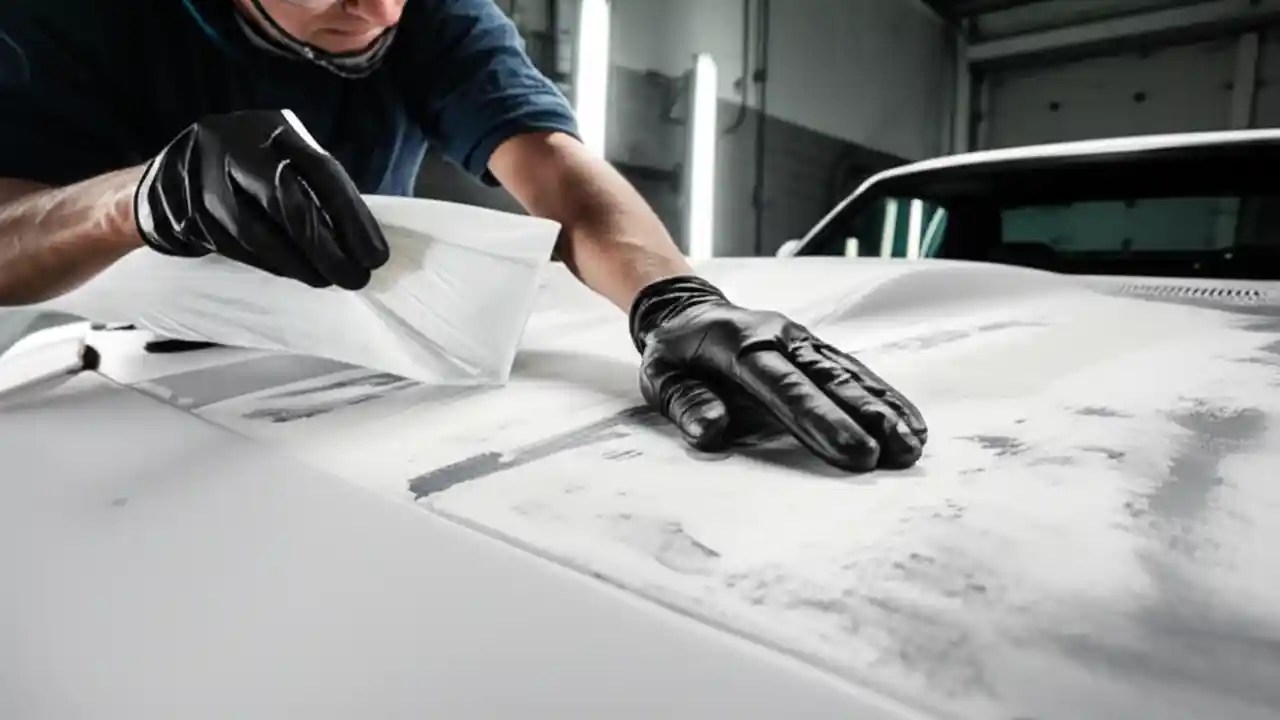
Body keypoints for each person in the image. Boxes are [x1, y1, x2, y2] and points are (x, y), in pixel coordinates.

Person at [0, 0, 927, 472]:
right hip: (111, 369)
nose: (378, 5)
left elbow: (556, 170)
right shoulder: (76, 17)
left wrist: (672, 299)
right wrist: (140, 199)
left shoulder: (433, 16)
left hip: (348, 359)